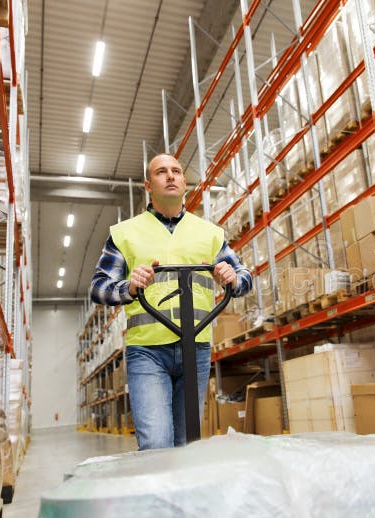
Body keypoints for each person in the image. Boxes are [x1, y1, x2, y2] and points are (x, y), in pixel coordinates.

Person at [89, 153, 252, 450]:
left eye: (176, 171)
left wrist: (232, 277)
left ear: (185, 183)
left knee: (187, 443)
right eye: (161, 172)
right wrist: (129, 286)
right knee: (156, 443)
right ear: (148, 185)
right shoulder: (124, 233)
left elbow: (245, 278)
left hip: (196, 347)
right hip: (148, 351)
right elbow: (99, 288)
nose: (171, 176)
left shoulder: (210, 233)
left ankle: (183, 497)